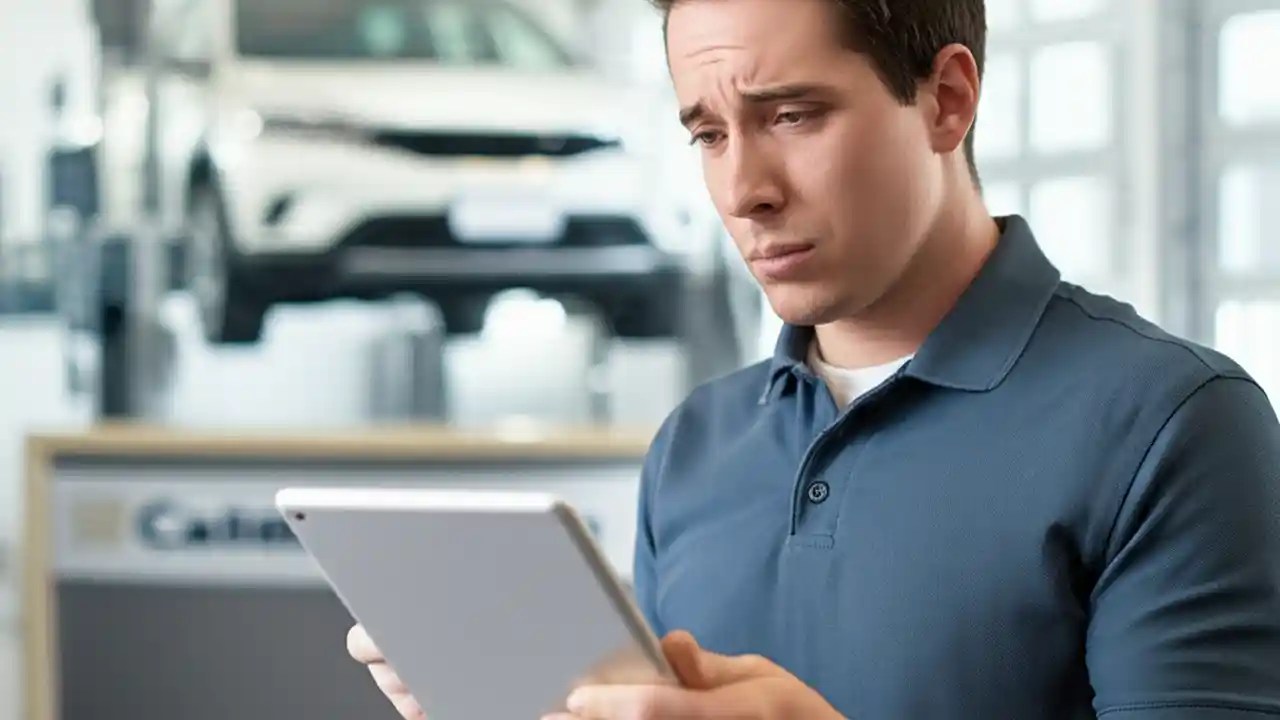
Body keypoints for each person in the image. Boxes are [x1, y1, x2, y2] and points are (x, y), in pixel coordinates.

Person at [346, 0, 1280, 717]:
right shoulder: (694, 446)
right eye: (708, 134)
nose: (743, 191)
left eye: (791, 115)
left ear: (947, 100)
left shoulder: (1176, 424)